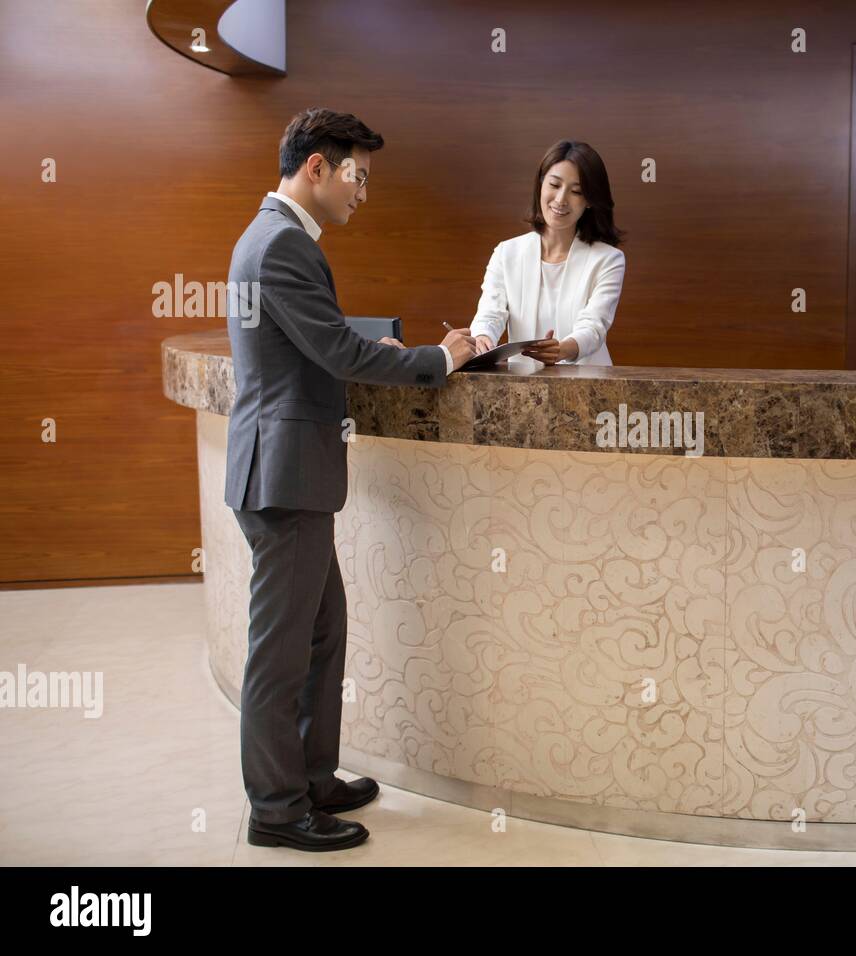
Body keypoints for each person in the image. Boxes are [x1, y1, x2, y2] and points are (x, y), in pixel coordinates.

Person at [223, 108, 475, 852]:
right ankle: (275, 809)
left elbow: (309, 342)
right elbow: (335, 352)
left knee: (321, 631)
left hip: (289, 474)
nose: (363, 192)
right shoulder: (280, 246)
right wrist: (440, 359)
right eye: (358, 176)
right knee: (280, 652)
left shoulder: (273, 238)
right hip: (285, 476)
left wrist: (366, 343)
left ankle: (309, 776)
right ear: (317, 169)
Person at [469, 140, 626, 365]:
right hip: (523, 387)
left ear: (590, 201)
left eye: (576, 191)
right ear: (540, 185)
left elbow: (594, 327)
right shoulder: (507, 253)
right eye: (554, 185)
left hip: (590, 387)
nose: (561, 199)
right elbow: (490, 312)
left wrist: (562, 350)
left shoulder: (608, 259)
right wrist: (482, 336)